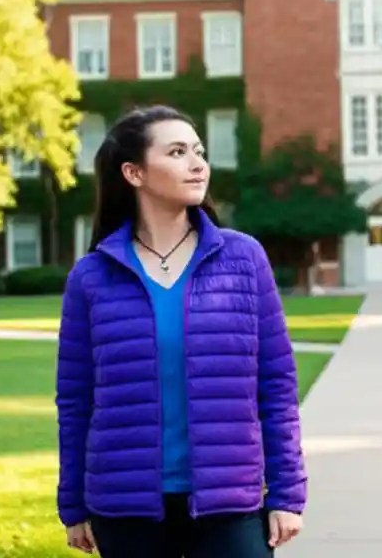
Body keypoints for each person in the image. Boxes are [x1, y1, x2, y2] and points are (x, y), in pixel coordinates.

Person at [55, 105, 306, 557]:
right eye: (177, 152)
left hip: (230, 502)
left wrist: (286, 493)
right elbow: (76, 399)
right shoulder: (91, 277)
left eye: (199, 151)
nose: (197, 164)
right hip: (125, 506)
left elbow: (277, 384)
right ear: (134, 173)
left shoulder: (244, 260)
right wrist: (73, 504)